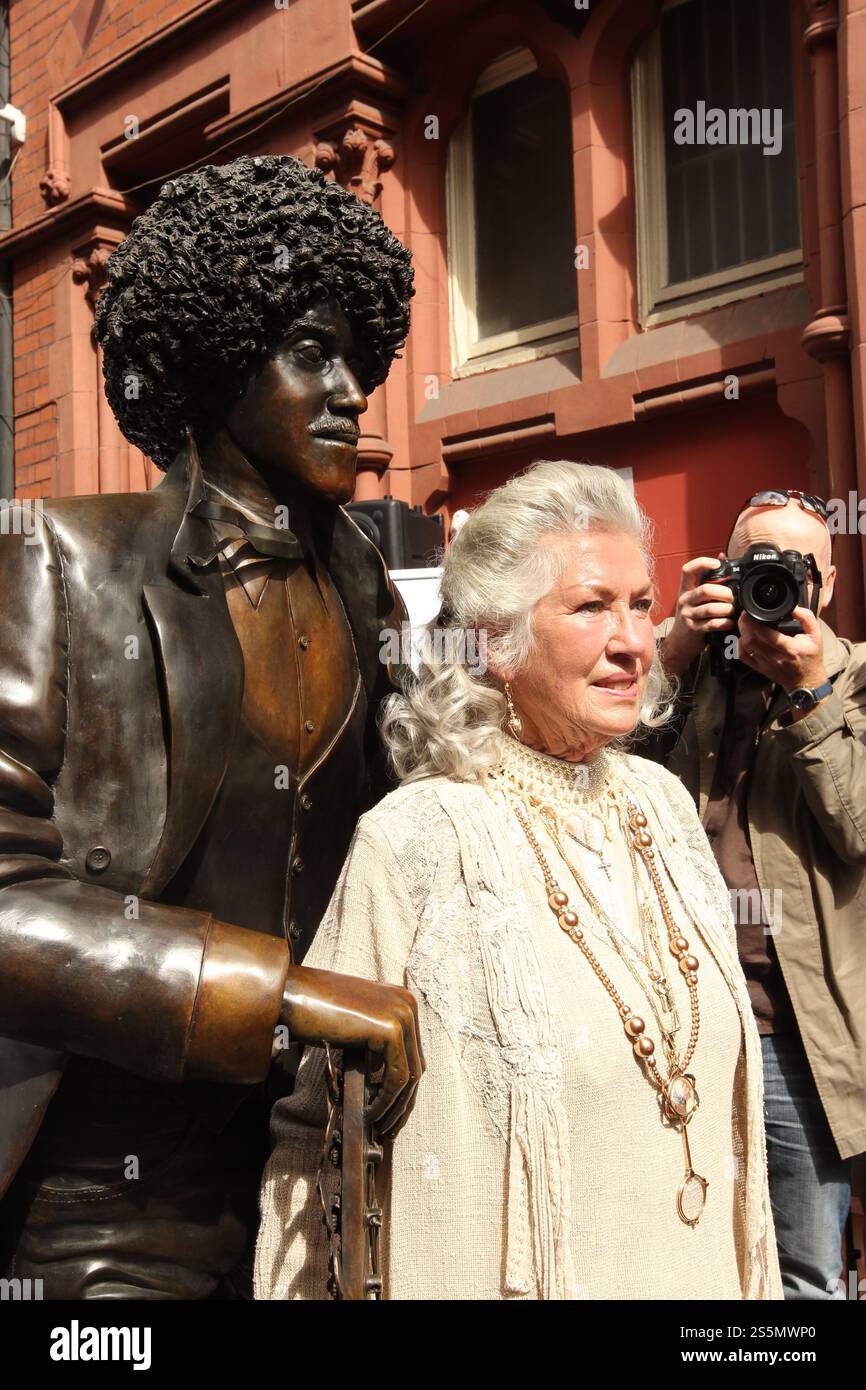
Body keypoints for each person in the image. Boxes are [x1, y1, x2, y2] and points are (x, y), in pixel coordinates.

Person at [0, 154, 423, 1300]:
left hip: (314, 1167)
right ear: (212, 357)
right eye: (307, 355)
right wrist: (276, 991)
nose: (350, 391)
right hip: (101, 1190)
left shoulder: (366, 586)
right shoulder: (68, 559)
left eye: (358, 359)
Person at [255, 460, 783, 1301]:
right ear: (498, 640)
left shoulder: (665, 805)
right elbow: (319, 1136)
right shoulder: (415, 841)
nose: (634, 642)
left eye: (642, 604)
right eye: (590, 607)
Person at [647, 490, 866, 1300]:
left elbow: (860, 827)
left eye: (792, 568)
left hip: (798, 1039)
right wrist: (669, 653)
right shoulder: (690, 672)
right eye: (754, 564)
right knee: (689, 1260)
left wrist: (812, 697)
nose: (770, 583)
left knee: (807, 1272)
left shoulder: (861, 681)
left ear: (827, 584)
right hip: (683, 1019)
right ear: (724, 571)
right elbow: (594, 771)